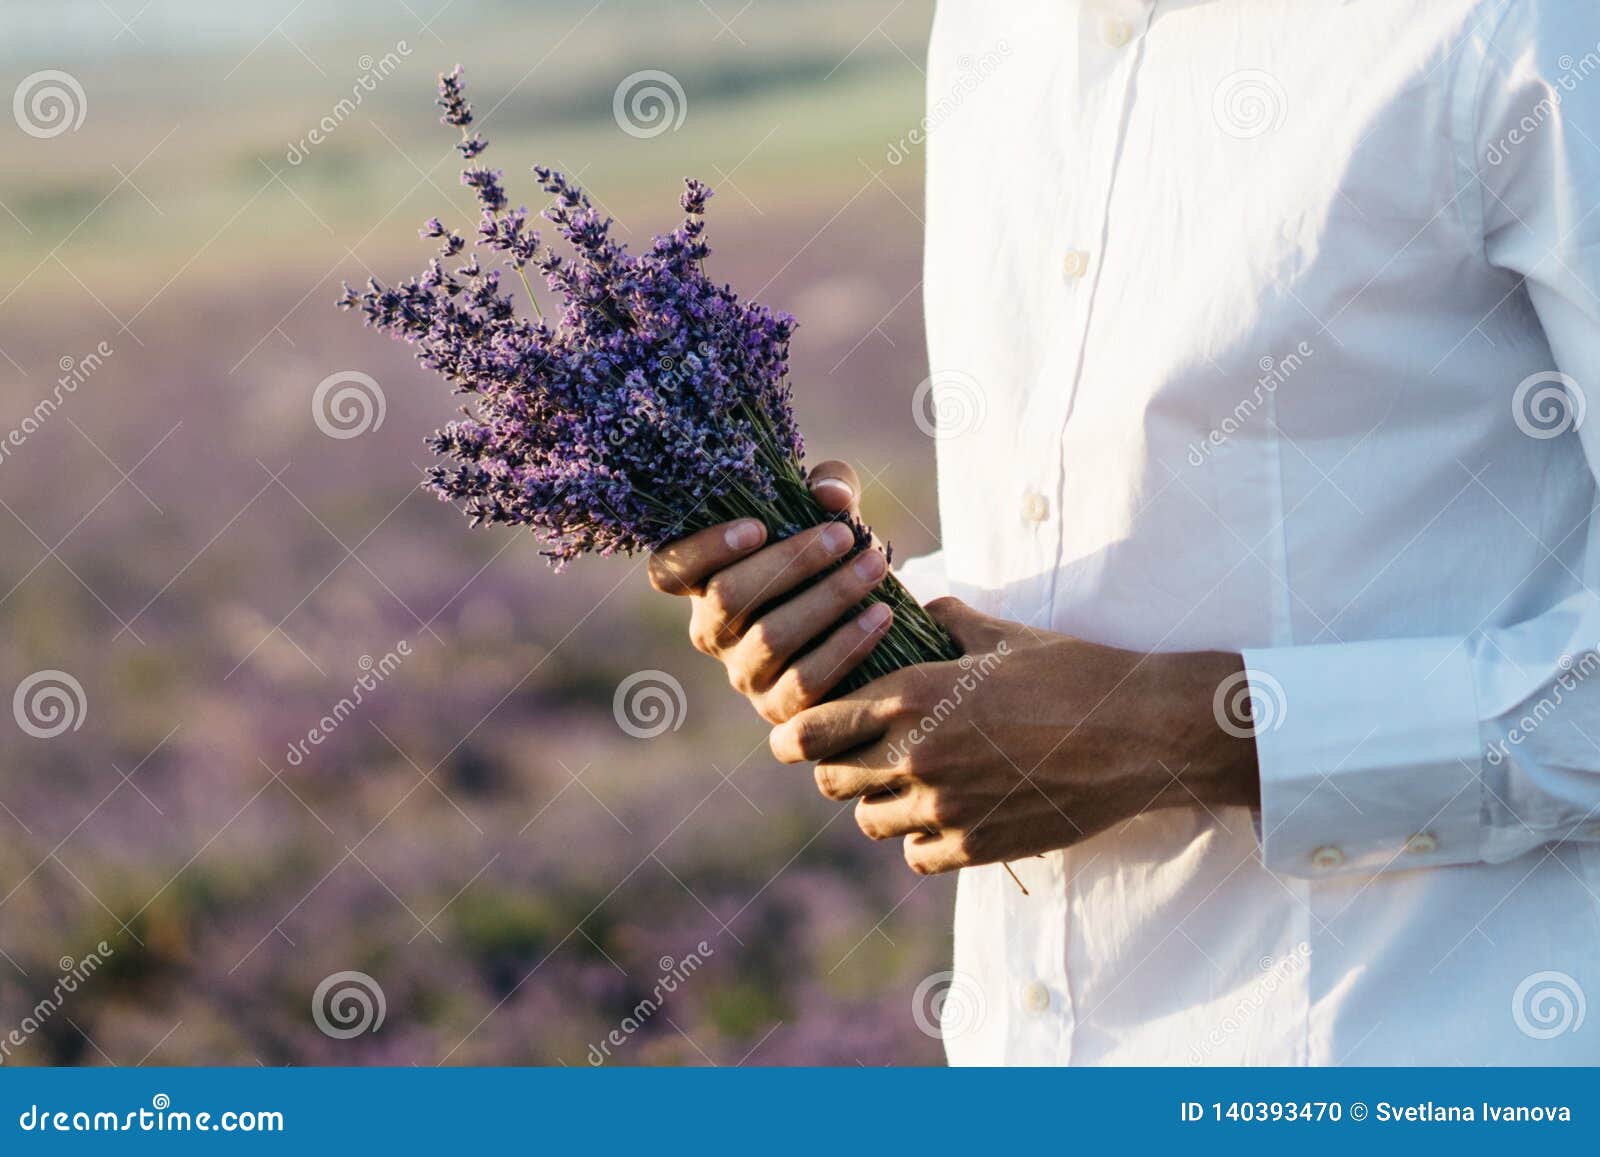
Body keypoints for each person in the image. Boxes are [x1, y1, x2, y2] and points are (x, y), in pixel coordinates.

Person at [649, 0, 1600, 1065]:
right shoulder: (992, 30)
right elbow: (1094, 536)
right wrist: (859, 625)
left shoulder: (1524, 25)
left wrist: (1191, 730)